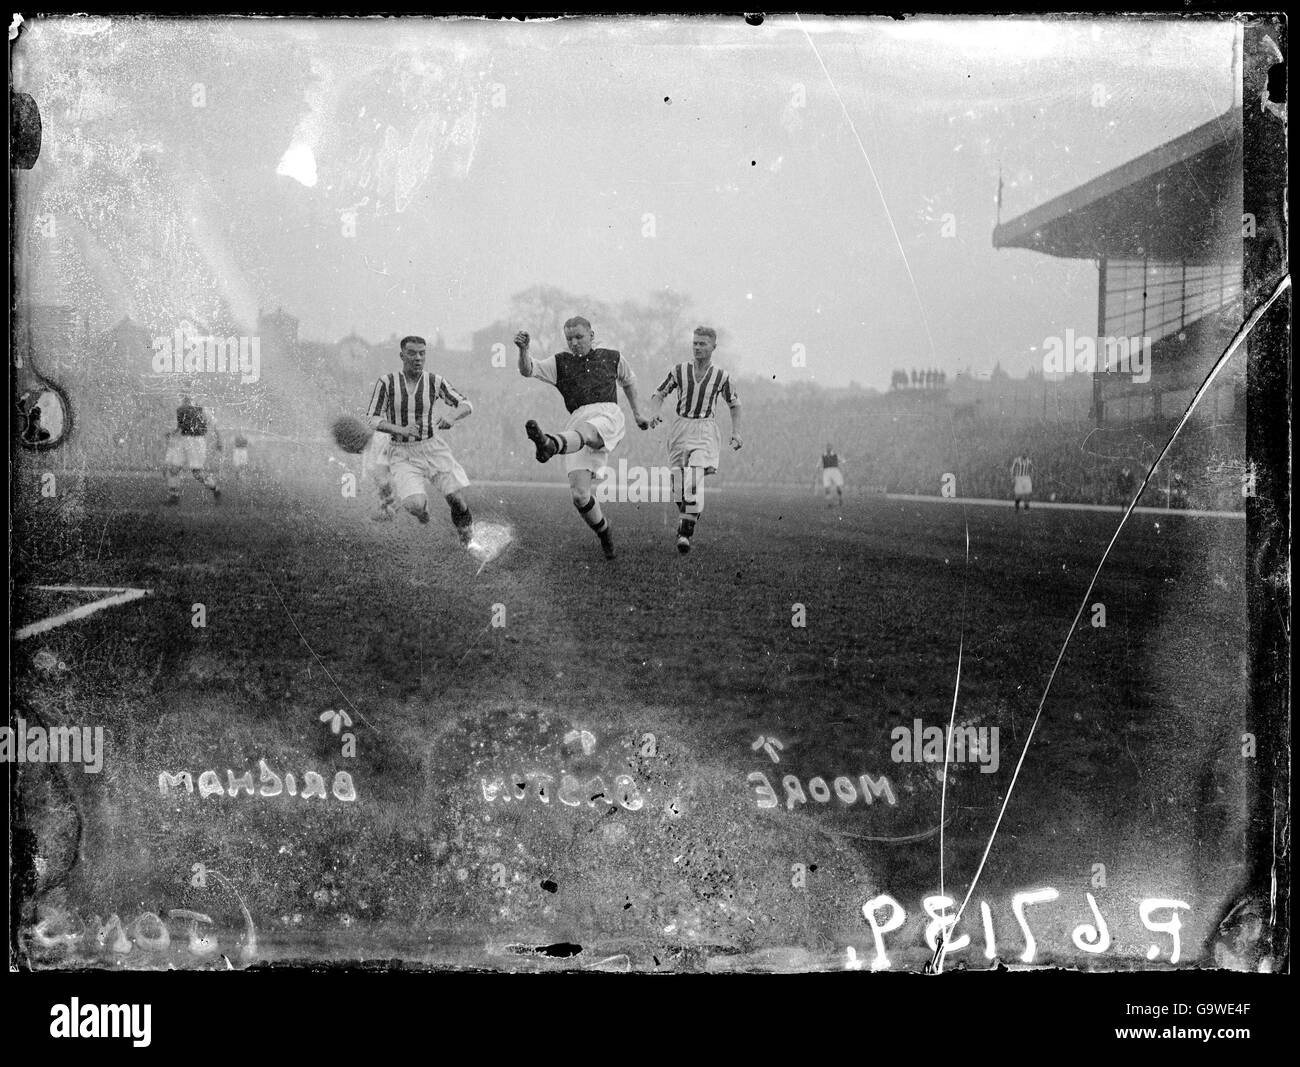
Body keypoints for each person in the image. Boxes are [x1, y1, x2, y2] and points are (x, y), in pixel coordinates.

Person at [515, 317, 650, 559]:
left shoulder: (612, 357)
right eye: (569, 339)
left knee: (588, 432)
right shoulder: (560, 362)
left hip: (607, 414)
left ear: (591, 334)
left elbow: (629, 381)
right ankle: (604, 532)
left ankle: (550, 444)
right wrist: (524, 350)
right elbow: (528, 370)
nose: (574, 343)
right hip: (577, 423)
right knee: (579, 495)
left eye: (579, 337)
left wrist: (638, 413)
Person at [364, 335, 476, 546]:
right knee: (414, 505)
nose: (418, 358)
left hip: (432, 448)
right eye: (412, 353)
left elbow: (466, 404)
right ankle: (422, 512)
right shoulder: (387, 382)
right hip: (401, 451)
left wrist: (452, 417)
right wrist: (400, 429)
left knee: (456, 499)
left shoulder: (435, 381)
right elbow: (372, 417)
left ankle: (468, 537)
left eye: (422, 353)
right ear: (402, 355)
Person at [647, 326, 742, 553]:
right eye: (695, 343)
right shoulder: (679, 370)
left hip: (705, 430)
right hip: (680, 428)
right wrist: (654, 412)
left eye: (703, 344)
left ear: (713, 347)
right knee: (679, 488)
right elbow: (658, 394)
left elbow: (734, 405)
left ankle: (684, 534)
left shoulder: (722, 376)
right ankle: (690, 516)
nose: (698, 347)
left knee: (694, 477)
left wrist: (736, 432)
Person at [165, 395, 221, 504]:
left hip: (197, 442)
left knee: (197, 474)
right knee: (173, 469)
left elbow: (214, 425)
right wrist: (171, 433)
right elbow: (180, 427)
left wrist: (219, 440)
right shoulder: (180, 409)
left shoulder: (202, 409)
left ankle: (215, 488)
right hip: (183, 440)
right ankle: (174, 496)